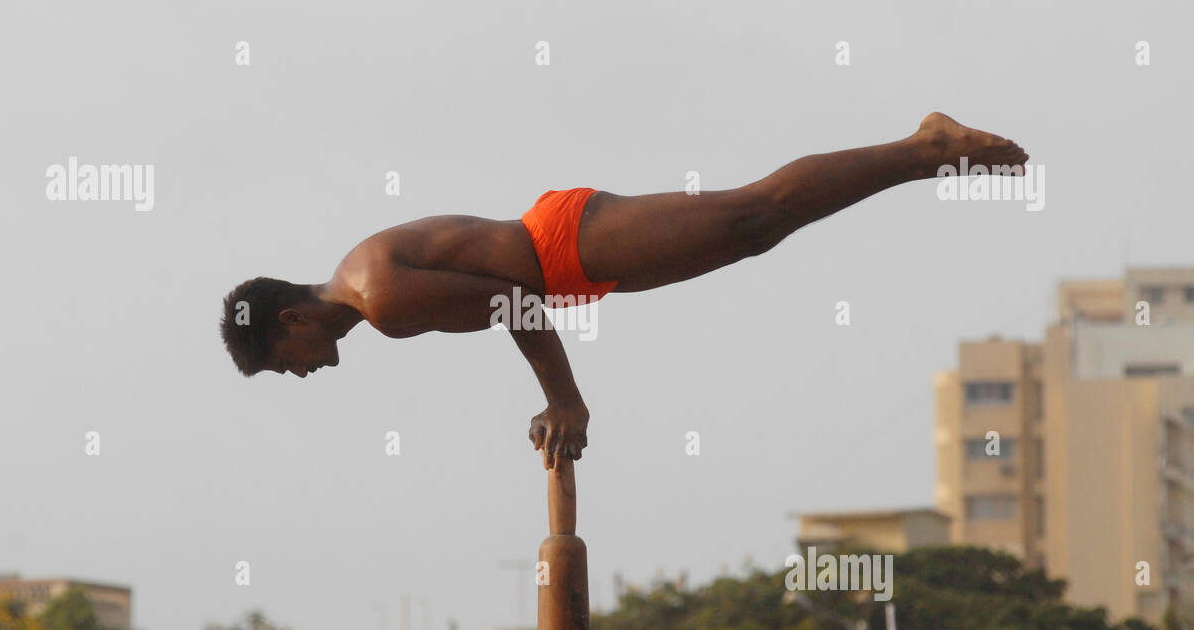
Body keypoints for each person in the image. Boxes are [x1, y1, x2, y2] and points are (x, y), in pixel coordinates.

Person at [220, 112, 1028, 470]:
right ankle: (922, 153)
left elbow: (515, 302)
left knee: (752, 213)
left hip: (564, 244)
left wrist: (564, 400)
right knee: (758, 230)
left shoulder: (380, 301)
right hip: (571, 258)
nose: (298, 374)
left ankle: (927, 148)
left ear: (292, 319)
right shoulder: (365, 279)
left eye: (281, 361)